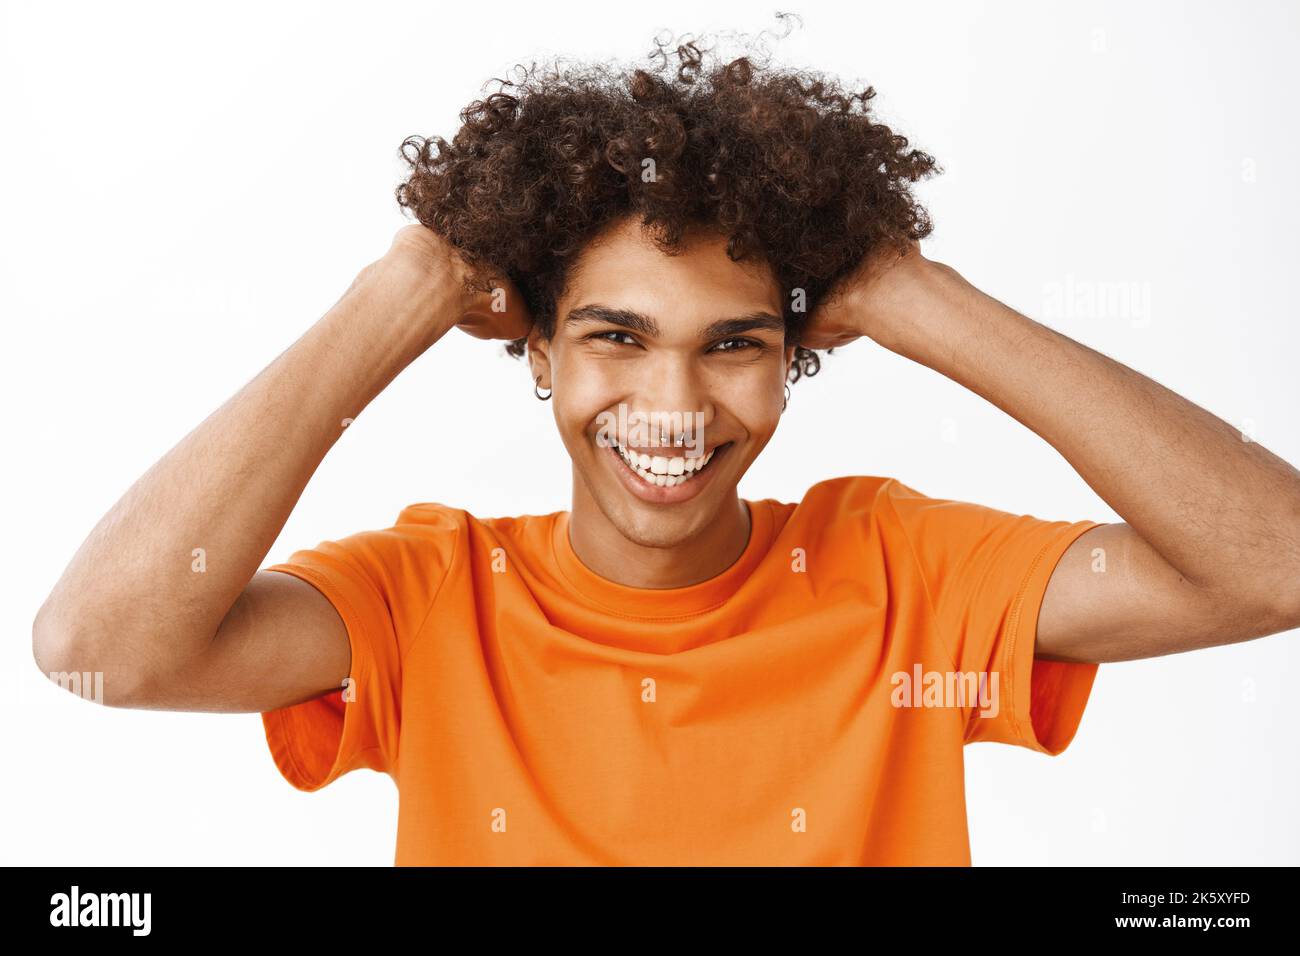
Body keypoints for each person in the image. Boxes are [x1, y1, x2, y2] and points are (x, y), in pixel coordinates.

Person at [32, 37, 1300, 866]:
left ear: (794, 356)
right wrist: (402, 290)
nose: (673, 401)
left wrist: (917, 295)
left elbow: (1273, 563)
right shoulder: (428, 598)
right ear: (536, 349)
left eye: (735, 342)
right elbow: (98, 652)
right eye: (614, 336)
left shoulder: (902, 572)